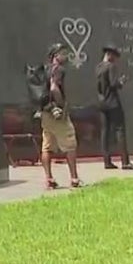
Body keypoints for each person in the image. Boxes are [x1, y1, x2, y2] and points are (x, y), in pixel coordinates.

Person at [41, 43, 81, 189]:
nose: (66, 55)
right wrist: (61, 105)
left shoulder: (44, 70)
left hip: (46, 112)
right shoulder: (59, 70)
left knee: (47, 146)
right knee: (70, 144)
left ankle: (49, 179)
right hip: (57, 113)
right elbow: (54, 87)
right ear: (55, 55)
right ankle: (74, 178)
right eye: (63, 52)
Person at [94, 45, 133, 170]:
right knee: (120, 130)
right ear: (109, 55)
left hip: (101, 103)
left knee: (105, 131)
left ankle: (107, 161)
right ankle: (125, 161)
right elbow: (114, 84)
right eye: (114, 56)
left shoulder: (98, 68)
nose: (115, 59)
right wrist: (121, 82)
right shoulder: (111, 67)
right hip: (112, 102)